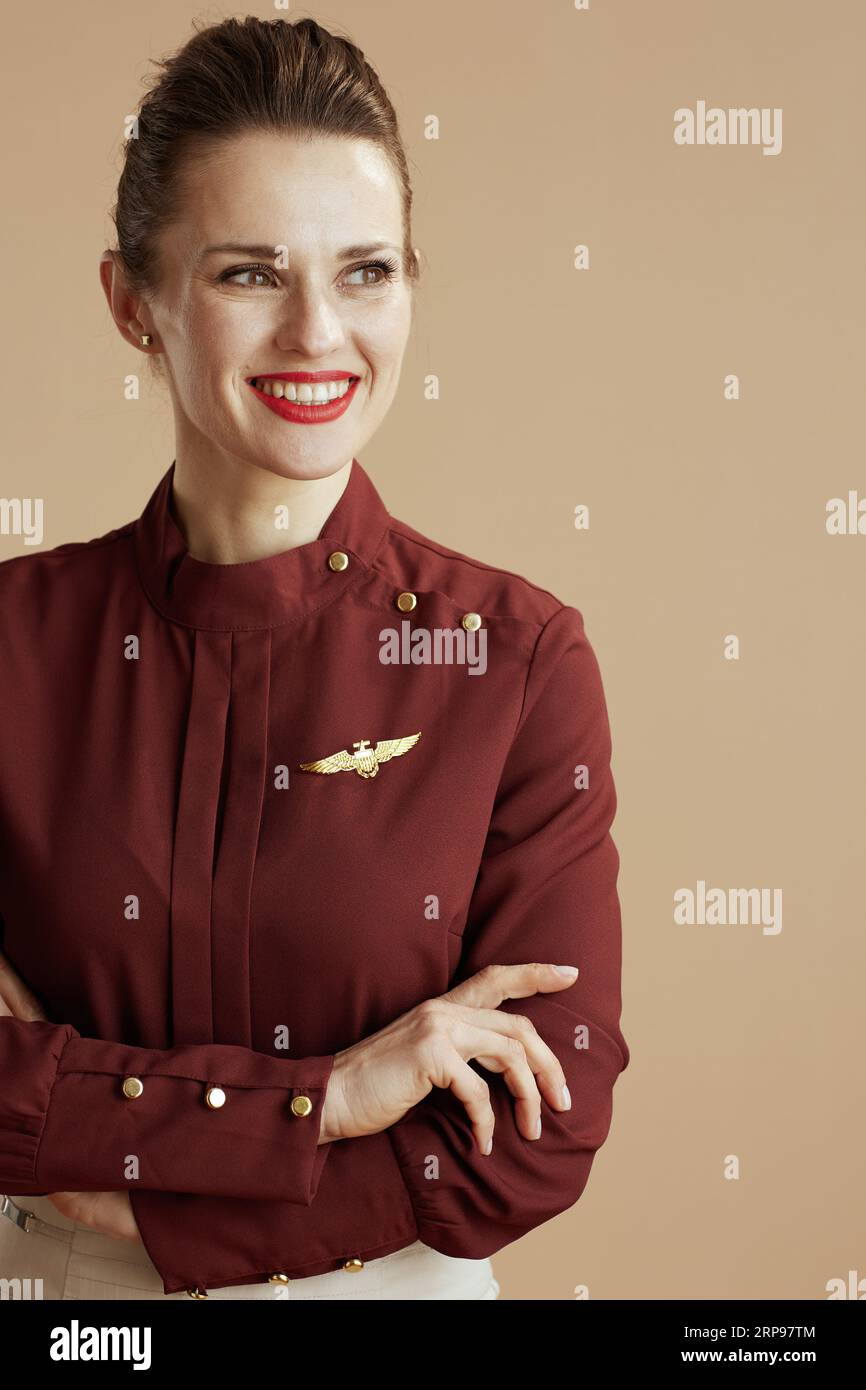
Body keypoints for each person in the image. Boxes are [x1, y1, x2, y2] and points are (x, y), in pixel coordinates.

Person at [0, 14, 629, 1300]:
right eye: (247, 274)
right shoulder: (11, 645)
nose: (316, 335)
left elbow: (537, 1130)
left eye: (365, 272)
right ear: (134, 302)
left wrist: (140, 1204)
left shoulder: (513, 662)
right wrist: (331, 1097)